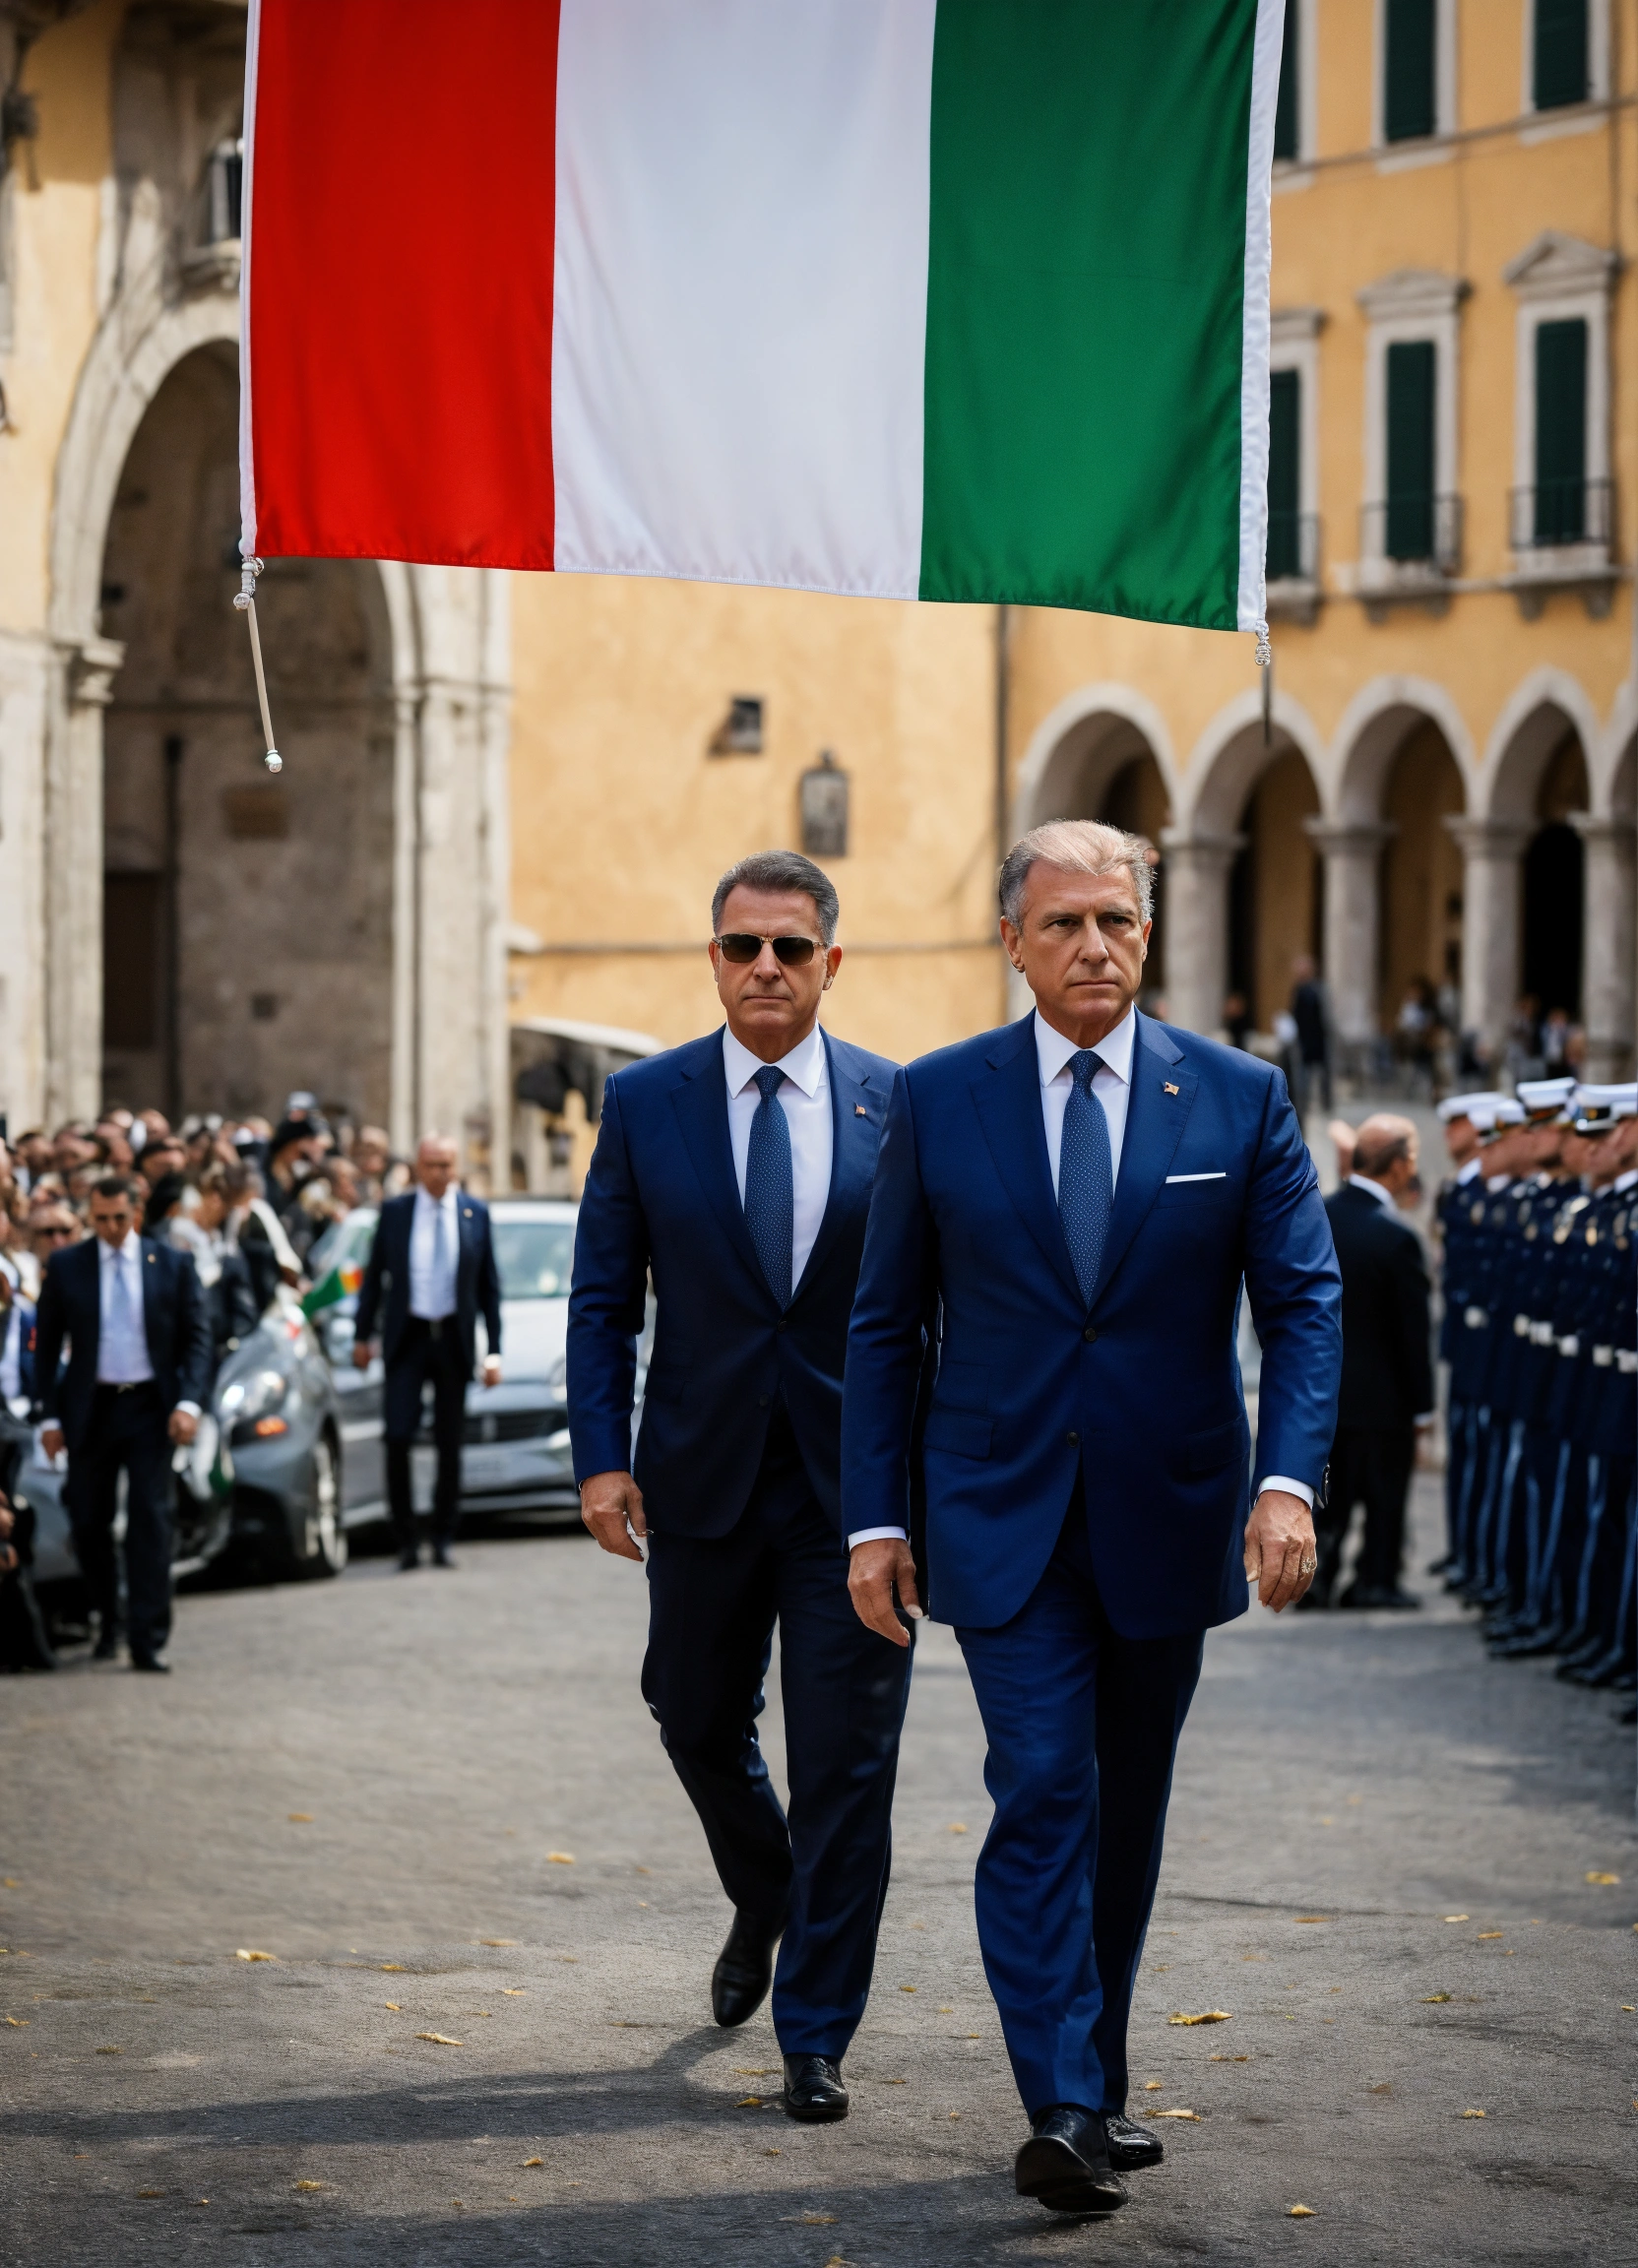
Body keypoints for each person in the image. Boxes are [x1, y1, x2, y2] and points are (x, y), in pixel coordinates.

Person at [842, 819, 1342, 2216]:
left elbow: (1302, 1301)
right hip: (994, 1519)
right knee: (1046, 1782)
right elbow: (887, 1328)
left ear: (1149, 930)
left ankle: (1099, 2079)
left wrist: (1287, 1481)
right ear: (1013, 941)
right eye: (1062, 924)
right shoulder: (943, 1099)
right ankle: (1058, 2096)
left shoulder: (1238, 1098)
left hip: (1168, 1515)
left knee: (1126, 1812)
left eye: (1115, 921)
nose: (1093, 947)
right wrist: (873, 1520)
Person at [568, 849, 914, 2127]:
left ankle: (815, 2034)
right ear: (711, 959)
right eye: (739, 947)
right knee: (692, 1714)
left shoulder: (901, 1104)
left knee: (847, 1764)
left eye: (789, 947)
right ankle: (764, 1887)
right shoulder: (646, 1103)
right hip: (699, 1481)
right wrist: (602, 1456)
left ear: (833, 961)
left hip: (855, 1500)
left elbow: (933, 1313)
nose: (764, 967)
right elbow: (605, 1300)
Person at [32, 1173, 212, 1671]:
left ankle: (146, 1637)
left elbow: (197, 1339)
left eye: (118, 1218)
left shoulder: (171, 1264)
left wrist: (190, 1404)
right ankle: (107, 1621)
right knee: (89, 1520)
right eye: (100, 1219)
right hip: (91, 1408)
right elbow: (46, 1349)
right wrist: (48, 1415)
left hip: (151, 1408)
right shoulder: (68, 1266)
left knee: (150, 1520)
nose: (110, 1228)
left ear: (136, 1212)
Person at [353, 1134, 502, 1570]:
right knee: (397, 1435)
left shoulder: (476, 1213)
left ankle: (442, 1536)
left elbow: (489, 1288)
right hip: (409, 1336)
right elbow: (375, 1277)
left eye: (448, 1164)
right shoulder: (397, 1212)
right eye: (433, 1164)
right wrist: (363, 1336)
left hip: (453, 1338)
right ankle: (404, 1538)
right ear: (419, 1166)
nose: (441, 1173)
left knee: (449, 1441)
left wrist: (494, 1351)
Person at [1306, 1115, 1434, 1610]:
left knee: (1328, 1497)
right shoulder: (1397, 1237)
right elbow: (1412, 1332)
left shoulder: (1317, 1215)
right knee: (1384, 1499)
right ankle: (1374, 1580)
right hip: (1384, 1401)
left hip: (1322, 1390)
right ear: (1400, 1166)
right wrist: (1422, 1407)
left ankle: (1316, 1579)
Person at [1290, 954, 1331, 1113]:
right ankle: (1303, 1105)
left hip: (1319, 1039)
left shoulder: (1317, 989)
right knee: (1303, 1077)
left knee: (1322, 1075)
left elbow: (1324, 1016)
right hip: (1304, 1039)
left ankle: (1325, 1104)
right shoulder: (1299, 990)